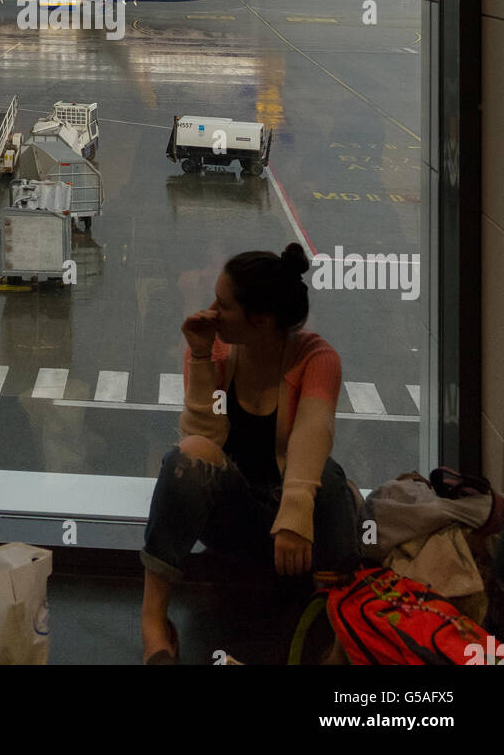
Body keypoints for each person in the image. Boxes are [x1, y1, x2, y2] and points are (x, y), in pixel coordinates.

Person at [140, 243, 362, 664]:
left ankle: (340, 642)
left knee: (329, 477)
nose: (210, 311)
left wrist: (295, 514)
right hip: (235, 520)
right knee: (186, 457)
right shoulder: (215, 352)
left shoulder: (316, 358)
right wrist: (203, 358)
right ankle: (154, 622)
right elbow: (203, 437)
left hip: (297, 535)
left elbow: (313, 433)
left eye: (223, 304)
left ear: (259, 320)